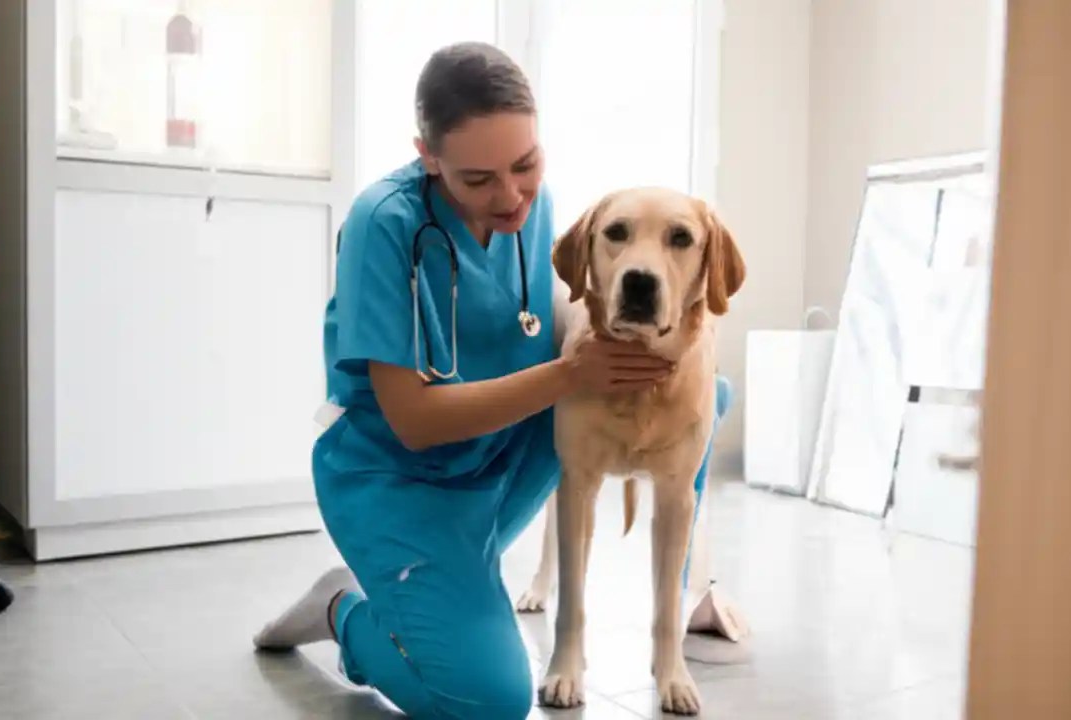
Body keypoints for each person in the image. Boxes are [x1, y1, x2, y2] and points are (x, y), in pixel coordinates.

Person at [252, 41, 731, 720]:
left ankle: (452, 585)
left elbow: (561, 316)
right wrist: (572, 372)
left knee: (712, 392)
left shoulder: (537, 215)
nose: (510, 199)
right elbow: (414, 421)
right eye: (477, 180)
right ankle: (342, 612)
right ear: (428, 155)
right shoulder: (384, 225)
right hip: (396, 480)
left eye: (526, 165)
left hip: (496, 463)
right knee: (487, 700)